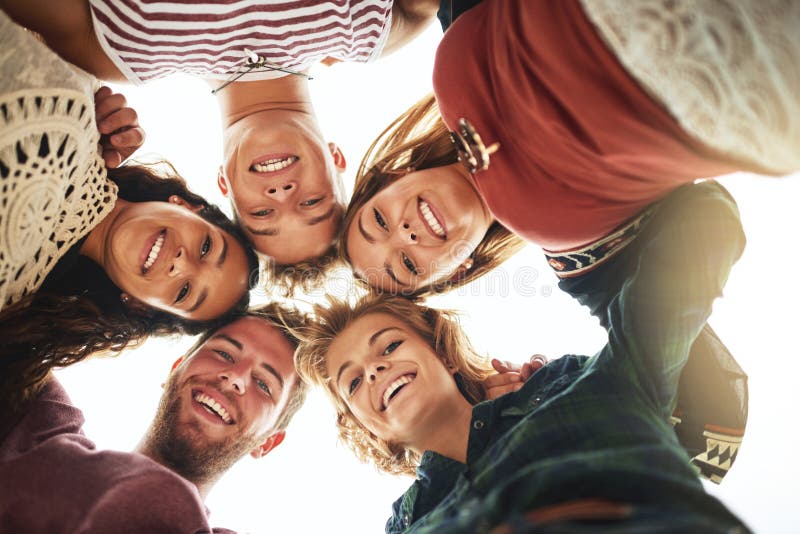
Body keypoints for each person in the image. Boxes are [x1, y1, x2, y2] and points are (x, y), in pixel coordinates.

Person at [295, 179, 751, 531]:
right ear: (367, 429)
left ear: (443, 355)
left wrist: (587, 273)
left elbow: (706, 221)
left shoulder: (587, 387)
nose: (374, 369)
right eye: (352, 382)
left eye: (390, 345)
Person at [342, 0, 799, 296]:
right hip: (746, 92)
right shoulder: (584, 267)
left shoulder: (455, 30)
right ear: (454, 273)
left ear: (388, 178)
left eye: (378, 220)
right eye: (406, 263)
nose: (405, 233)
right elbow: (649, 366)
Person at [0, 0, 441, 291]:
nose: (282, 195)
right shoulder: (367, 32)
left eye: (262, 214)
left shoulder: (122, 56)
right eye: (312, 201)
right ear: (337, 157)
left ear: (223, 183)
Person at [0, 10, 258, 412]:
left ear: (138, 304)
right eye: (207, 248)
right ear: (186, 206)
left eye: (185, 291)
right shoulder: (96, 110)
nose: (181, 265)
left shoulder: (15, 308)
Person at [0, 303, 308, 532]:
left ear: (268, 443)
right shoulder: (40, 420)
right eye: (225, 354)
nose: (234, 377)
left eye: (264, 385)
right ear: (176, 368)